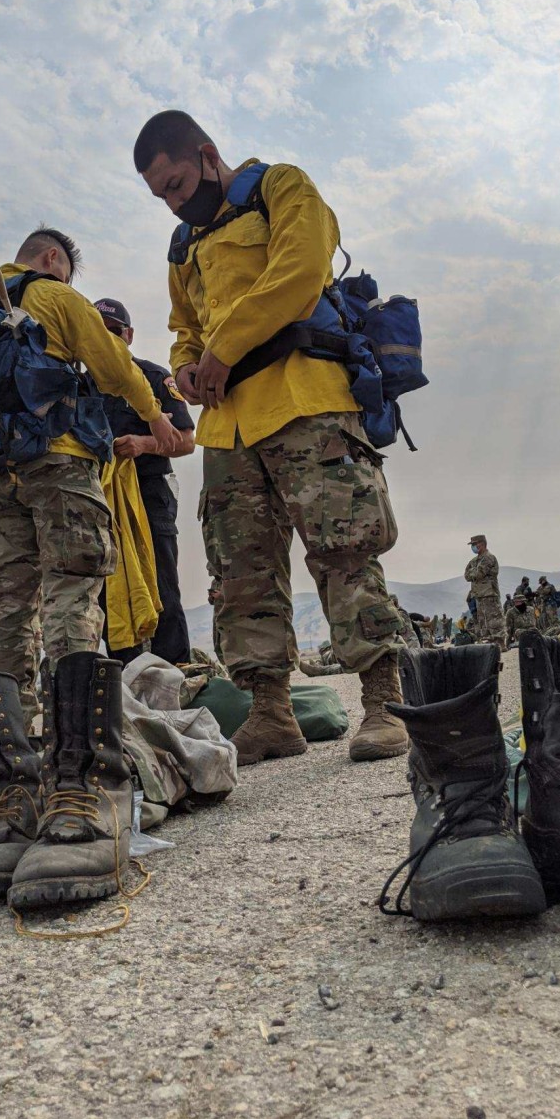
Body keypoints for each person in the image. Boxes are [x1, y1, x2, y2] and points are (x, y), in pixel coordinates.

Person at [134, 110, 407, 766]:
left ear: (206, 153)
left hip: (303, 398)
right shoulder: (183, 245)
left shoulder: (280, 187)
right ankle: (271, 715)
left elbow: (300, 268)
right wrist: (184, 369)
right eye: (161, 195)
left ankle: (384, 702)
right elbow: (182, 327)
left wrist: (222, 350)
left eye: (176, 183)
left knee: (342, 547)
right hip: (228, 426)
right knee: (241, 576)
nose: (174, 201)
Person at [0, 229, 179, 724]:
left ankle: (10, 729)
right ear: (51, 259)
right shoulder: (54, 294)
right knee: (73, 587)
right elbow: (114, 367)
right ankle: (78, 728)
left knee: (13, 596)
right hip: (57, 463)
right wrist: (155, 416)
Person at [96, 296, 196, 666]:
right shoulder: (77, 386)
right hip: (96, 501)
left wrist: (144, 444)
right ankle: (123, 678)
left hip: (149, 494)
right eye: (98, 332)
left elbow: (186, 441)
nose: (107, 339)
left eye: (114, 332)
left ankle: (177, 673)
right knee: (103, 592)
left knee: (162, 584)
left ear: (129, 334)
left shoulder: (153, 378)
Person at [463, 535, 505, 649]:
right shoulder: (474, 561)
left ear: (481, 544)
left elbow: (478, 574)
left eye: (474, 544)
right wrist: (473, 573)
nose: (472, 547)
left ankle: (499, 641)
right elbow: (466, 575)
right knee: (483, 620)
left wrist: (474, 573)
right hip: (479, 595)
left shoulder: (488, 558)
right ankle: (489, 642)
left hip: (490, 593)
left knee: (494, 619)